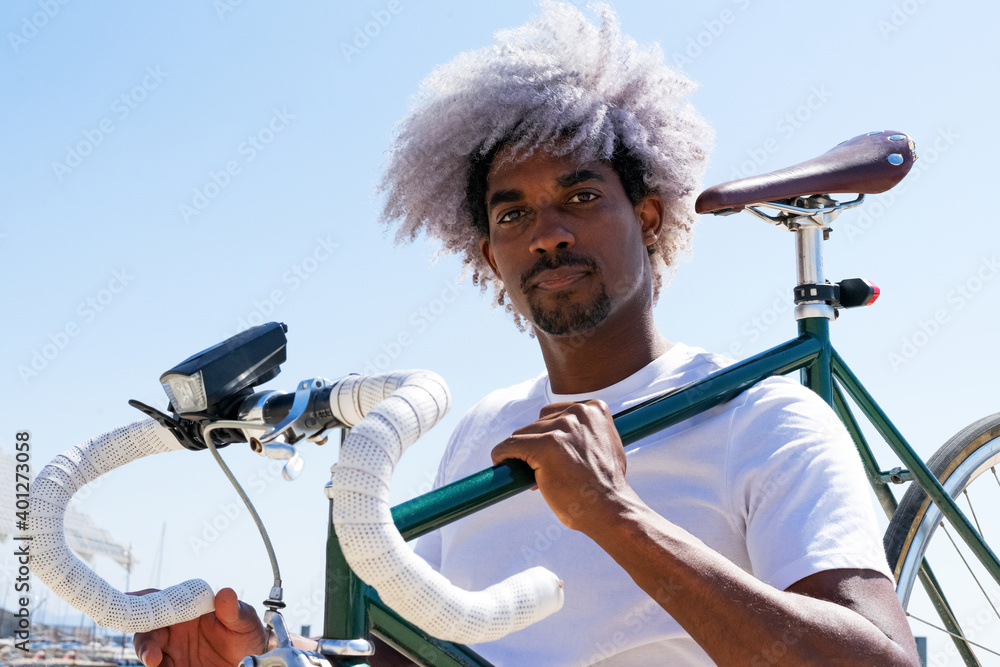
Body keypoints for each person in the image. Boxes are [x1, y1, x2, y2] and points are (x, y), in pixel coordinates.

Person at [135, 3, 920, 665]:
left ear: (647, 217)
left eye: (581, 196)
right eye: (513, 214)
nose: (547, 233)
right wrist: (261, 655)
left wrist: (616, 515)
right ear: (490, 256)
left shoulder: (764, 419)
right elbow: (413, 657)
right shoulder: (480, 430)